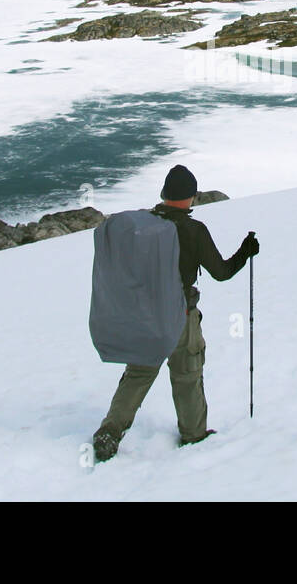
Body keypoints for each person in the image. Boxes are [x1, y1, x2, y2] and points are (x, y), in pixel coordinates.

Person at [91, 165, 258, 463]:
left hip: (145, 314)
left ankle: (110, 431)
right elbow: (220, 273)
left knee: (138, 373)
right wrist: (245, 251)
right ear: (191, 197)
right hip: (180, 314)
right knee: (187, 373)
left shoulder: (145, 225)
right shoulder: (193, 230)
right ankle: (194, 434)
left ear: (165, 194)